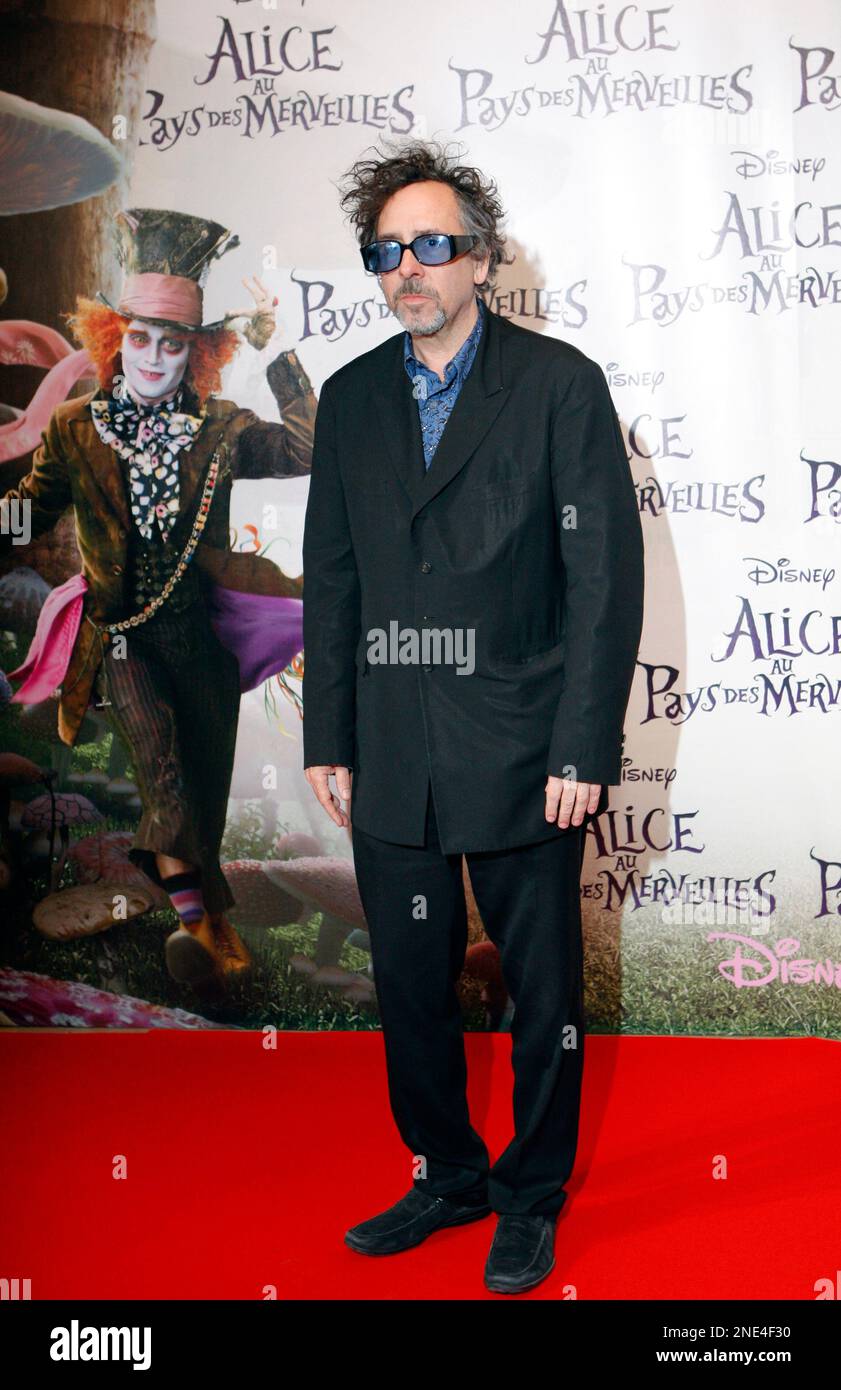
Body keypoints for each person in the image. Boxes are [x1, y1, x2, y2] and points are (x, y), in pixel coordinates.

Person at [301, 140, 644, 1294]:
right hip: (392, 740)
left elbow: (602, 582)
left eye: (433, 244)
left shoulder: (557, 385)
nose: (410, 267)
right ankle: (445, 1170)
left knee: (542, 990)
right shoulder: (348, 400)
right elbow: (334, 576)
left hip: (522, 743)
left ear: (482, 259)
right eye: (388, 250)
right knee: (408, 977)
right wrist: (327, 733)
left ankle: (530, 1191)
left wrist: (583, 743)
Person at [0, 207, 315, 989]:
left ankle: (214, 927)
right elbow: (30, 510)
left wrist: (283, 360)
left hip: (199, 642)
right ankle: (194, 931)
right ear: (114, 341)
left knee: (201, 790)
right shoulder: (76, 429)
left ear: (198, 353)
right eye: (138, 338)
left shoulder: (219, 428)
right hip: (122, 642)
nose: (152, 357)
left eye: (171, 343)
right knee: (166, 779)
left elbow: (308, 448)